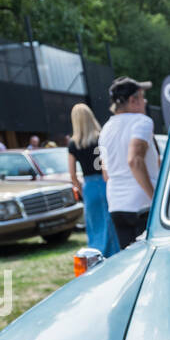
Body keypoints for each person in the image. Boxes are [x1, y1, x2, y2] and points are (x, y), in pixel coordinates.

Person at [98, 77, 160, 249]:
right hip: (142, 203)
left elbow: (105, 173)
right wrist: (156, 199)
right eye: (142, 97)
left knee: (129, 257)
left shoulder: (105, 129)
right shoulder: (142, 121)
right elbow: (134, 160)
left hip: (116, 204)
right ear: (133, 100)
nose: (145, 102)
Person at [68, 102, 118, 258]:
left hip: (89, 187)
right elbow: (106, 165)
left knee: (94, 224)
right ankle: (114, 254)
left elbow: (72, 175)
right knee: (110, 224)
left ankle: (96, 257)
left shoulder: (73, 144)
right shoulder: (100, 138)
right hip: (104, 183)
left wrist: (81, 190)